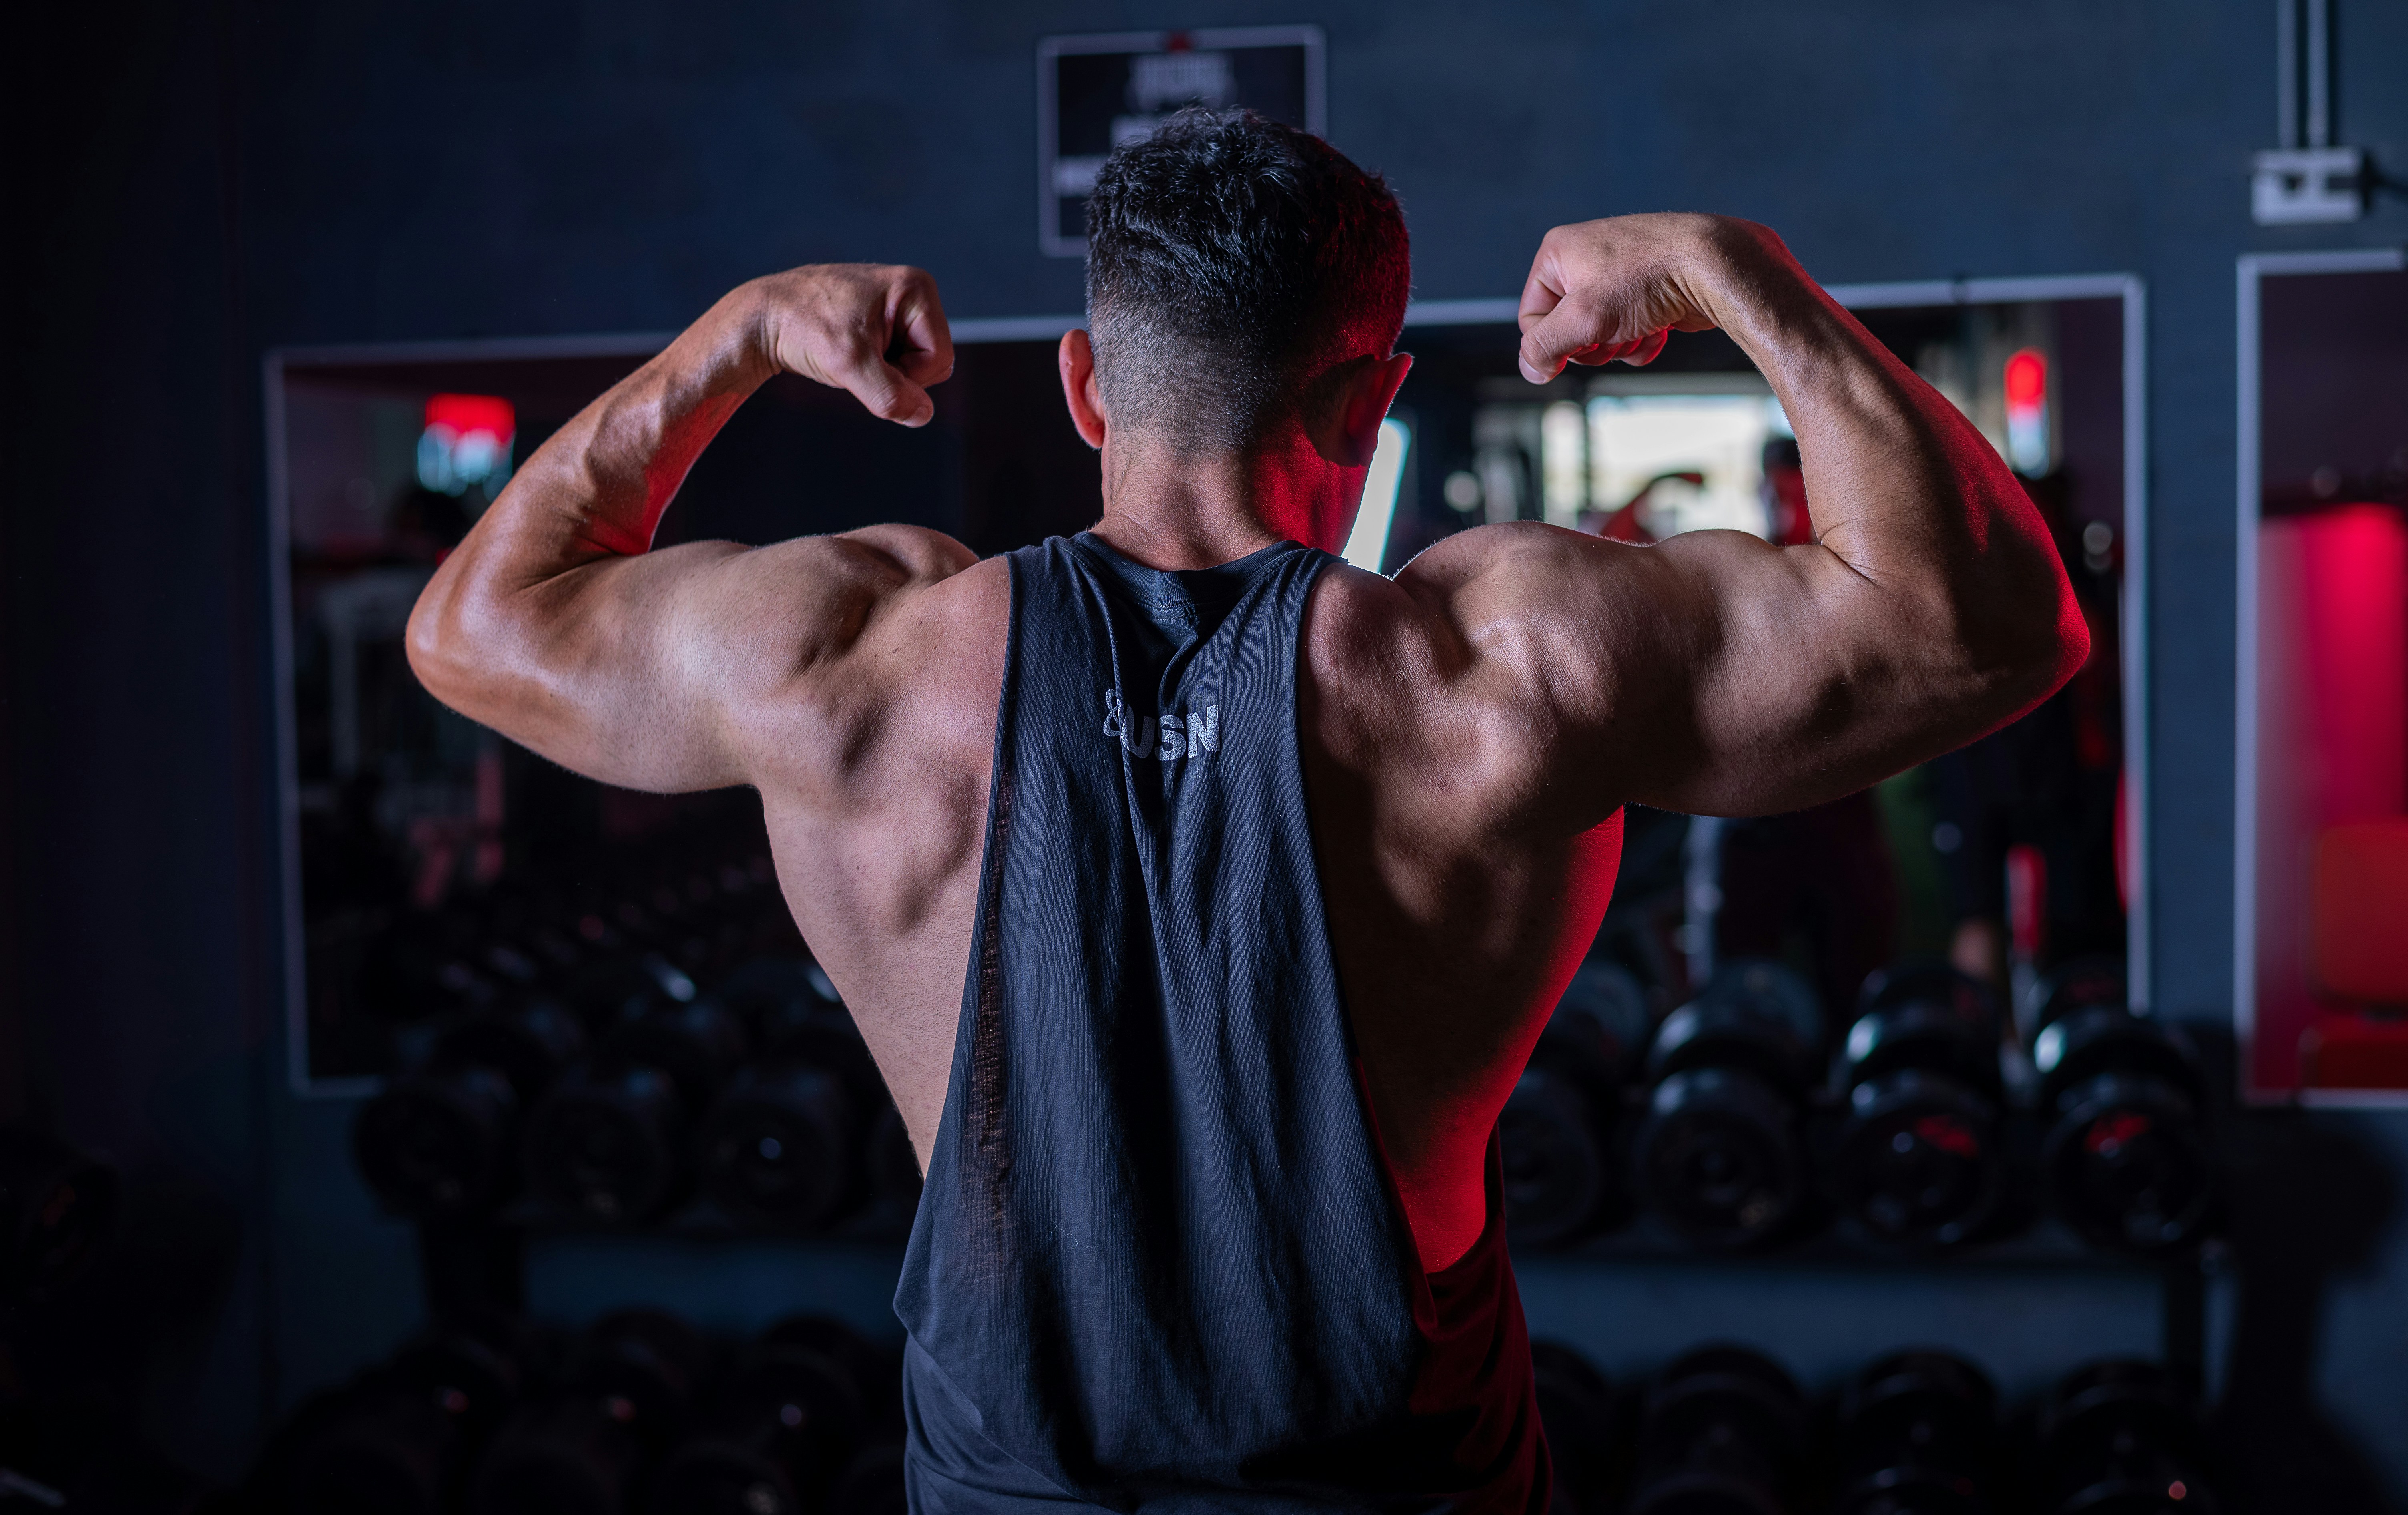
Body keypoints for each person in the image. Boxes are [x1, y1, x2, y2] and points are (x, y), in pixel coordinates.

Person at [407, 111, 2084, 1513]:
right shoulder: (1496, 670)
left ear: (1084, 386)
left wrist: (739, 338)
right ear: (1369, 404)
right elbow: (2002, 624)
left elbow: (474, 627)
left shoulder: (856, 660)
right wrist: (1740, 277)